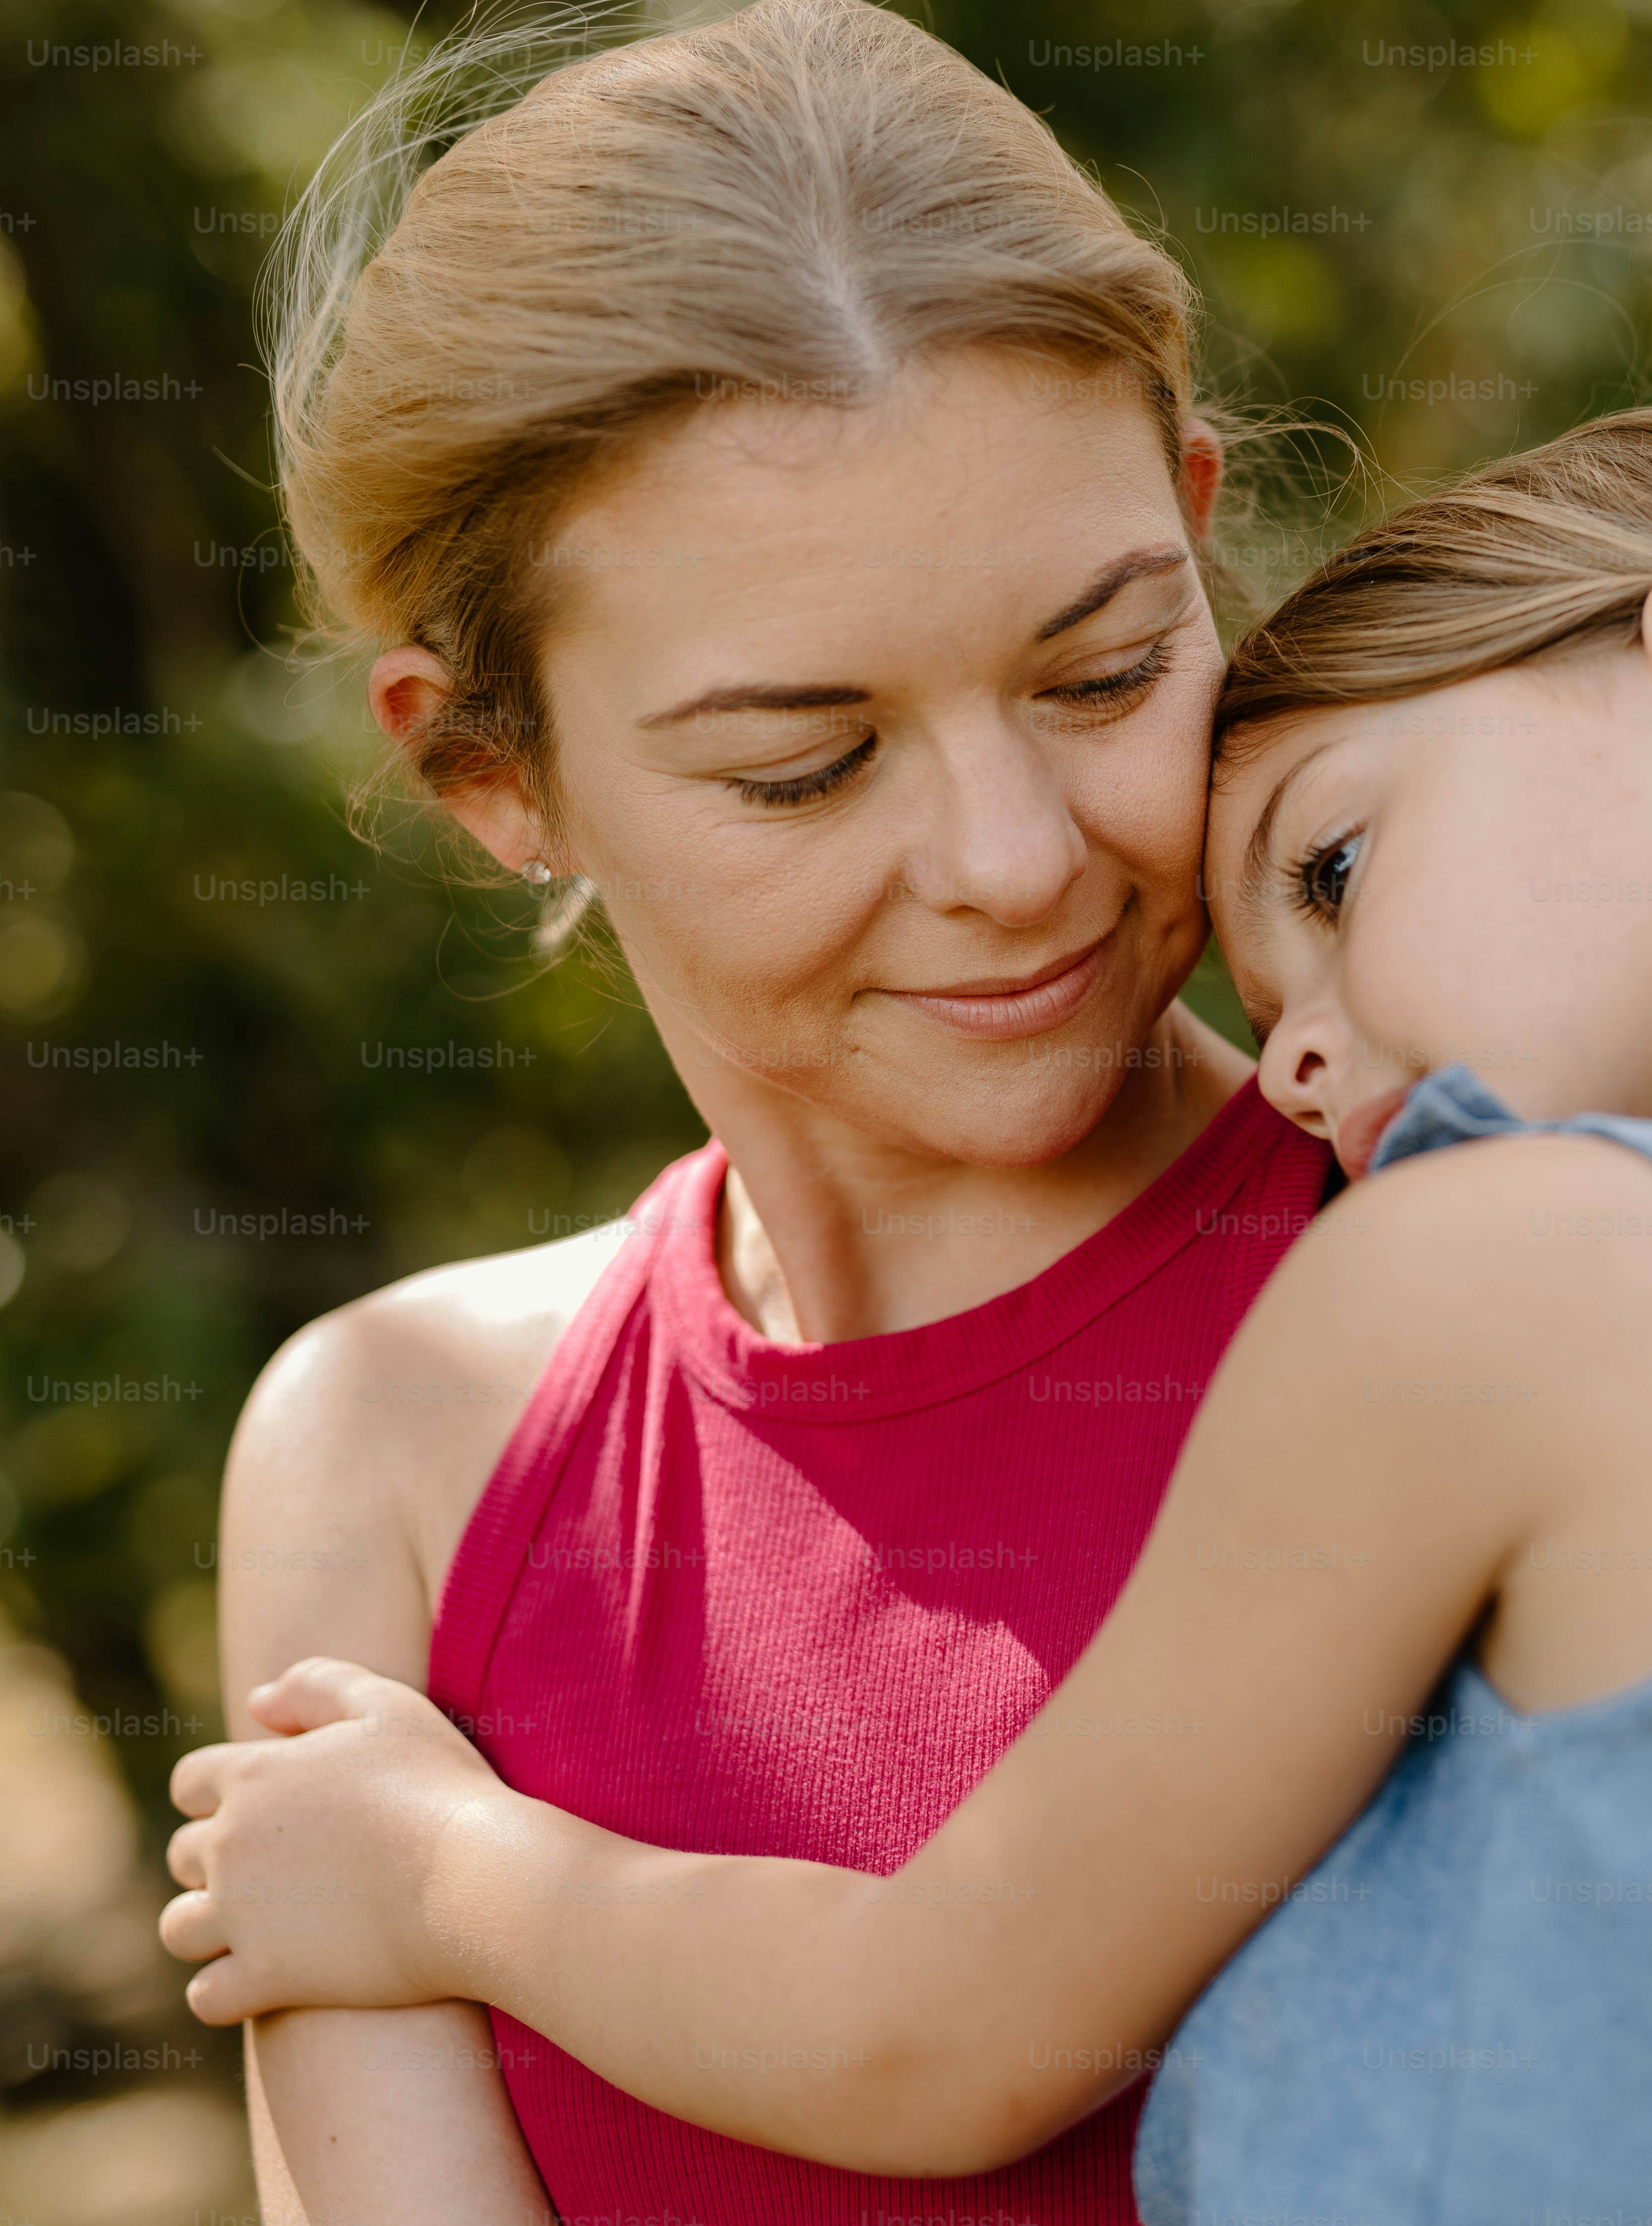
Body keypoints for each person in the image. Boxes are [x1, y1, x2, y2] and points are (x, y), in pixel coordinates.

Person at [164, 407, 1652, 2224]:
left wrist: (445, 1870)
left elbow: (942, 2021)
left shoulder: (1492, 1272)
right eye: (809, 760)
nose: (1308, 1051)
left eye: (1336, 868)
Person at [209, 2, 1333, 2218]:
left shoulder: (1500, 1240)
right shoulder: (401, 1457)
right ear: (490, 771)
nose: (1016, 857)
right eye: (805, 763)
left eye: (1107, 667)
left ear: (1197, 528)